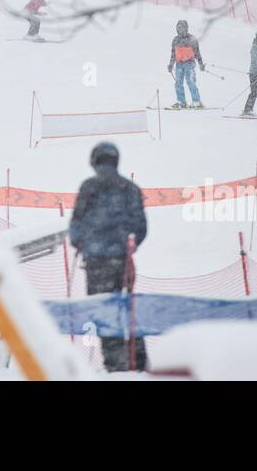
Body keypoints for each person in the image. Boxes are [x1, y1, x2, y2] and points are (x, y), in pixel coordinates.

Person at [68, 141, 148, 373]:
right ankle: (138, 363)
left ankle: (115, 365)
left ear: (94, 161)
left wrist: (84, 244)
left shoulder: (88, 187)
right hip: (122, 262)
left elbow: (76, 225)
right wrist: (129, 247)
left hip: (96, 265)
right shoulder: (130, 188)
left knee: (104, 311)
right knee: (127, 309)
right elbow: (141, 227)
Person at [167, 19, 207, 109]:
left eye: (182, 28)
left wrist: (201, 64)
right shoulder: (175, 40)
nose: (180, 30)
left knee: (191, 81)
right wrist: (170, 65)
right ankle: (181, 101)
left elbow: (197, 53)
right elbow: (173, 53)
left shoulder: (192, 39)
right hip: (179, 64)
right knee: (178, 83)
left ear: (186, 28)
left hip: (189, 63)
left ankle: (196, 101)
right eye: (179, 28)